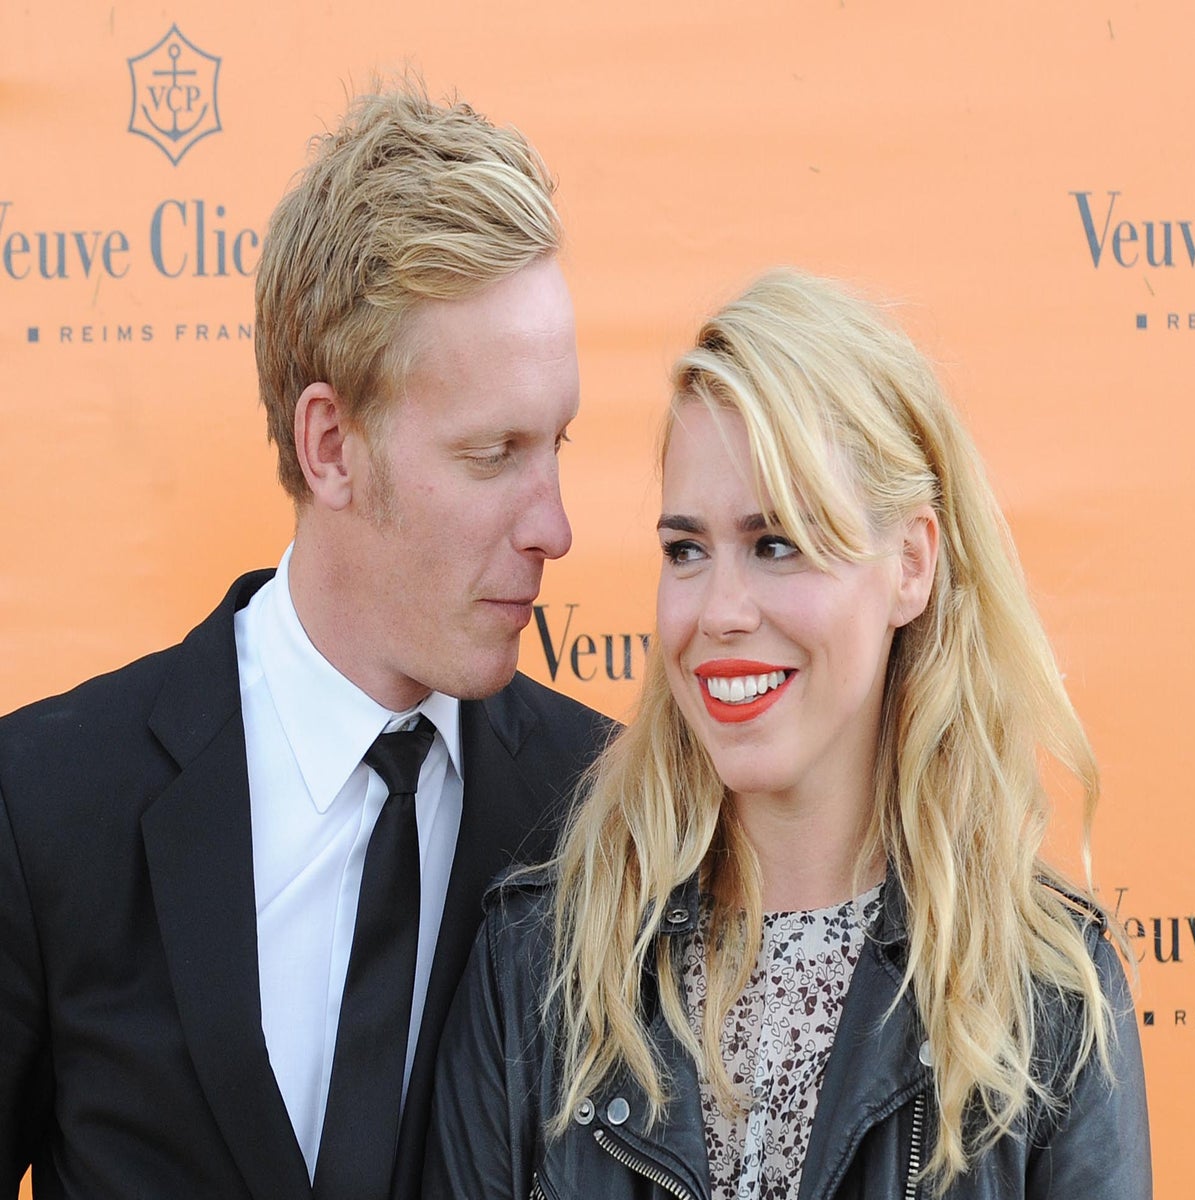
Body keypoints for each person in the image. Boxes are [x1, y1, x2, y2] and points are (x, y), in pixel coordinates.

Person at [0, 85, 610, 1200]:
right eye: (493, 455)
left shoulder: (608, 815)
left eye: (557, 444)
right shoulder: (45, 808)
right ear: (331, 445)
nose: (555, 528)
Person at [425, 268, 1152, 1199]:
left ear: (911, 564)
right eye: (687, 549)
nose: (721, 610)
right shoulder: (538, 968)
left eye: (777, 544)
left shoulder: (1047, 997)